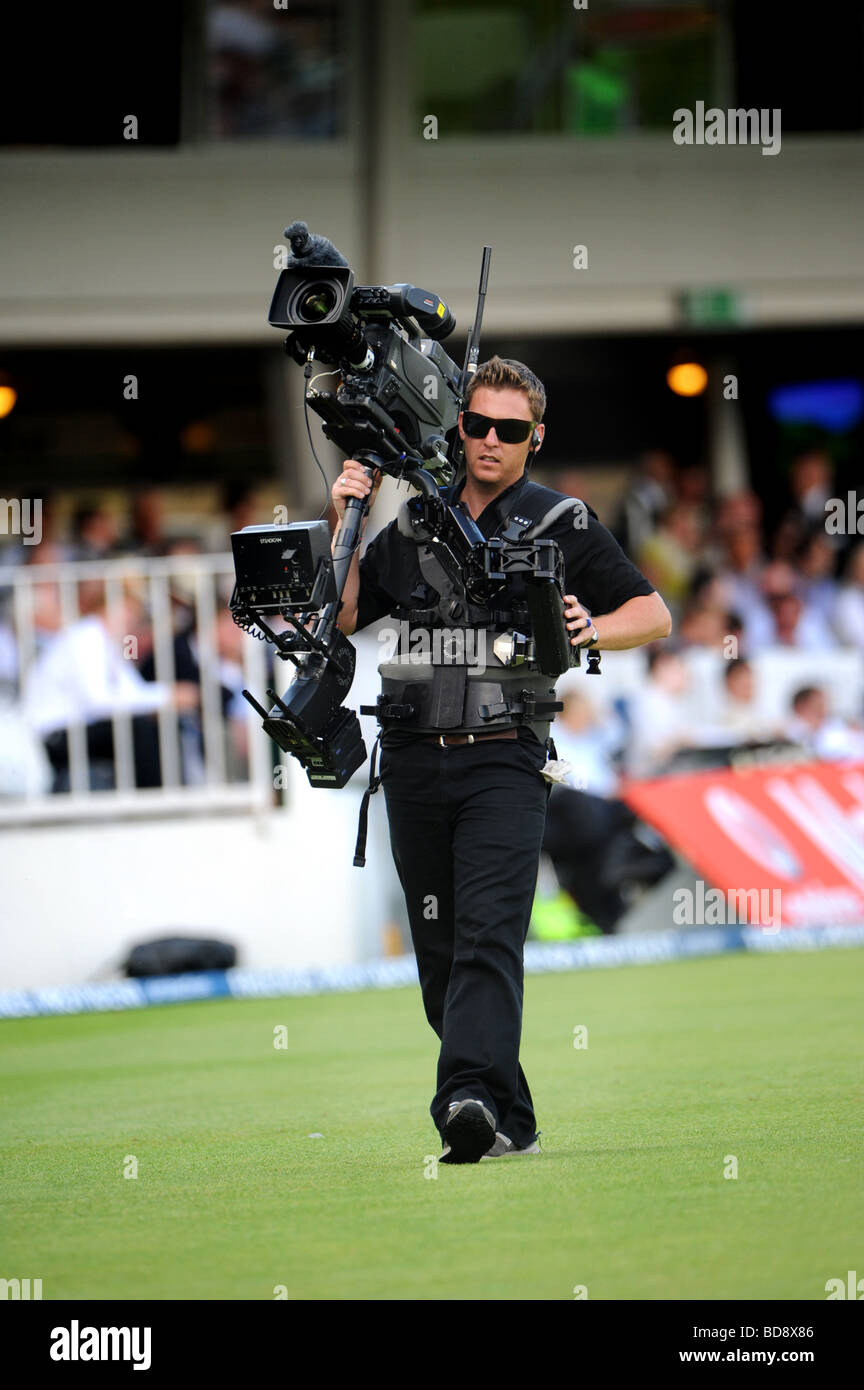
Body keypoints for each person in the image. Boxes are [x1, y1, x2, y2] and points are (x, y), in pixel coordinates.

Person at [330, 356, 671, 1164]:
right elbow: (342, 616)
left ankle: (467, 1098)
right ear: (459, 427)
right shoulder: (413, 522)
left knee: (488, 936)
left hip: (506, 759)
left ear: (534, 438)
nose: (489, 440)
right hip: (411, 758)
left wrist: (594, 630)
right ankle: (508, 1114)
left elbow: (651, 612)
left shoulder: (564, 521)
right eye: (477, 424)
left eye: (509, 430)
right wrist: (343, 512)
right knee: (441, 953)